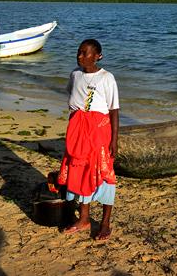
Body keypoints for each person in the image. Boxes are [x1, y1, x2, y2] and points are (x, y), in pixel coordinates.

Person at [57, 38, 119, 240]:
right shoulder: (75, 75)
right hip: (78, 132)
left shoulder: (107, 78)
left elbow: (114, 111)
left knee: (104, 173)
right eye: (79, 52)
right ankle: (83, 219)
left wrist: (114, 141)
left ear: (98, 56)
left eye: (86, 53)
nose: (80, 56)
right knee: (80, 171)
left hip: (99, 133)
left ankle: (105, 223)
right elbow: (73, 99)